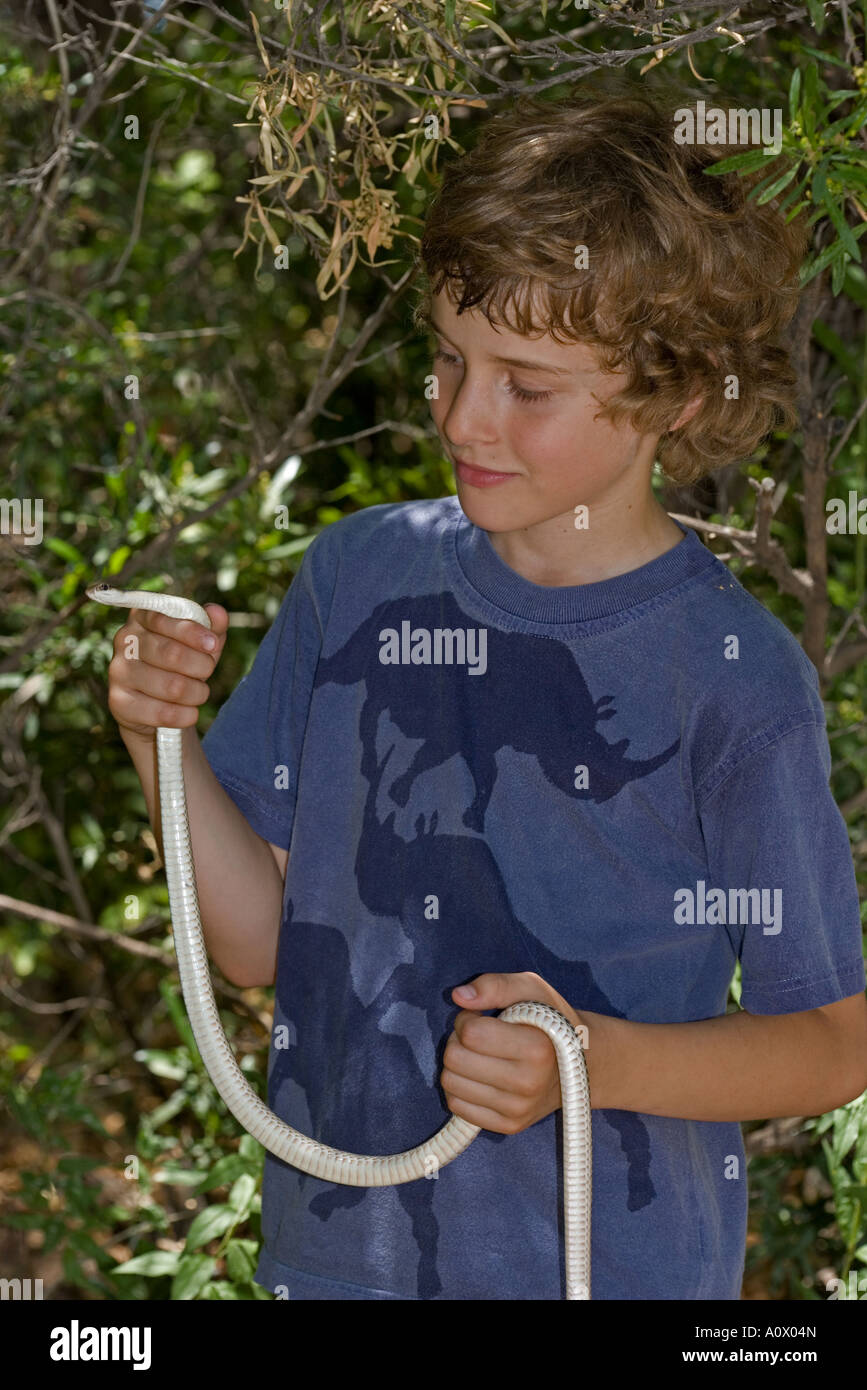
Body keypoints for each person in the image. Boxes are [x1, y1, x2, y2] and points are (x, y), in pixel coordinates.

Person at [109, 86, 867, 1301]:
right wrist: (163, 740)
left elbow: (830, 1045)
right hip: (337, 1267)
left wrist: (589, 1060)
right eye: (450, 360)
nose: (464, 417)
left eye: (528, 385)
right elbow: (254, 942)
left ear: (676, 396)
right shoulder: (357, 577)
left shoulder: (731, 678)